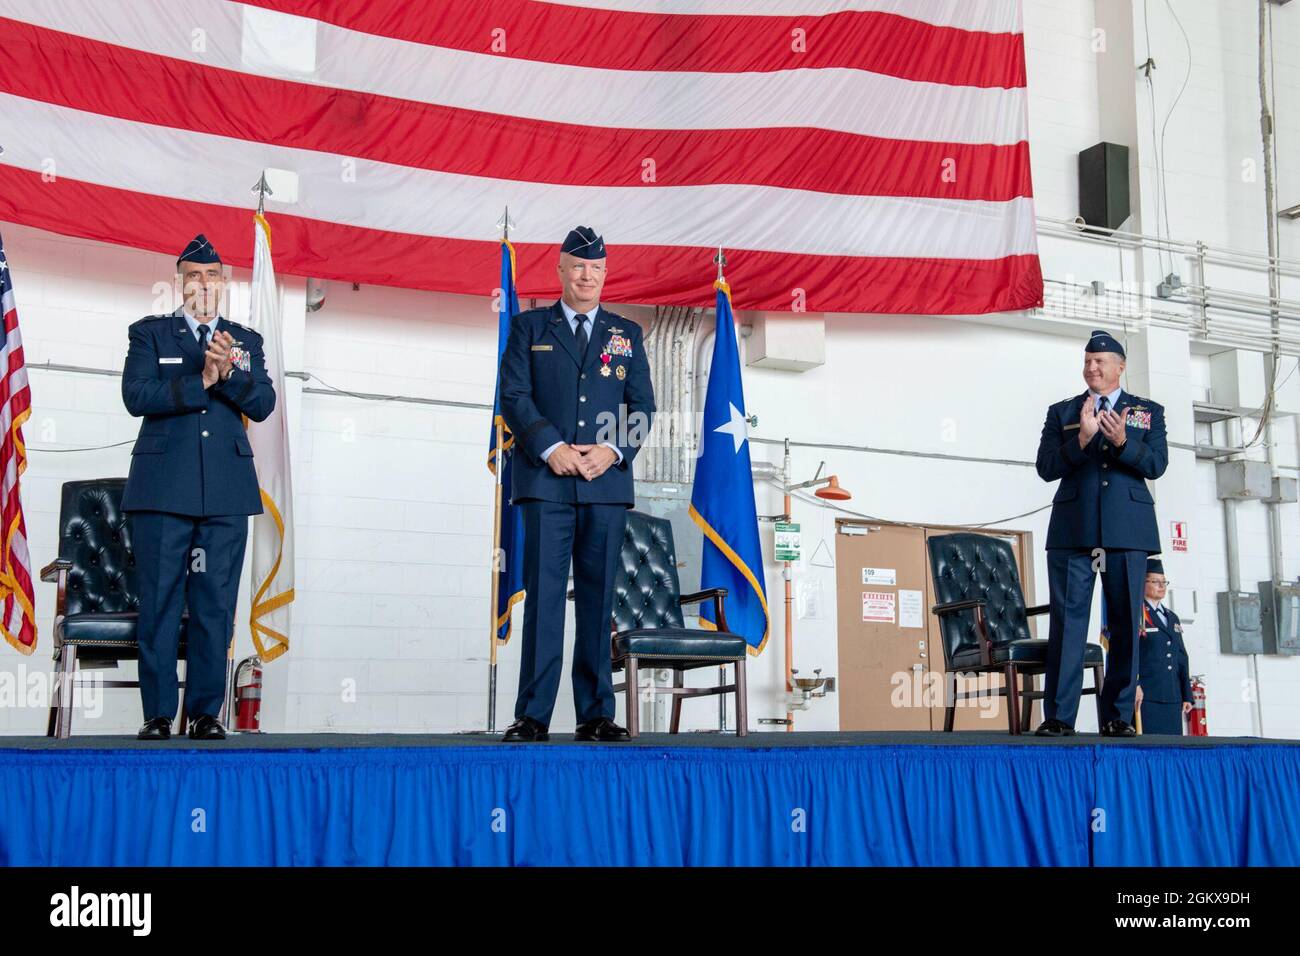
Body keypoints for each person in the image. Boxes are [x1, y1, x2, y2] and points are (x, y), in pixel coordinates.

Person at [497, 226, 655, 742]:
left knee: (596, 601)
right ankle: (533, 716)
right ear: (561, 270)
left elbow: (643, 407)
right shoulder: (528, 327)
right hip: (546, 481)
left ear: (605, 274)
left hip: (604, 487)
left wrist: (610, 451)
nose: (588, 276)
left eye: (597, 269)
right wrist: (553, 448)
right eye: (578, 267)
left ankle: (594, 715)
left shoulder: (626, 334)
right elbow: (515, 397)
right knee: (543, 601)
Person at [122, 234, 276, 740]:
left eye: (212, 276)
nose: (203, 284)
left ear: (224, 284)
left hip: (226, 493)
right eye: (193, 275)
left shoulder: (244, 341)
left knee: (215, 604)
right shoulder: (151, 334)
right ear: (179, 283)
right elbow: (136, 394)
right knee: (161, 601)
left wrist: (225, 374)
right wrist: (202, 381)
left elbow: (263, 404)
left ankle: (207, 713)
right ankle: (159, 714)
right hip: (163, 491)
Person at [1034, 329, 1168, 737]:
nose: (1092, 367)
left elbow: (1157, 464)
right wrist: (1083, 438)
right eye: (1088, 361)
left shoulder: (1146, 411)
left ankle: (1117, 717)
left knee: (1126, 624)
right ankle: (1059, 717)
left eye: (1101, 361)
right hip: (1074, 532)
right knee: (1068, 623)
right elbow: (1046, 468)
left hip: (1126, 532)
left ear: (1120, 367)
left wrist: (1123, 441)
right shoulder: (1063, 412)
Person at [1135, 558, 1193, 735]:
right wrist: (1134, 684)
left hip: (1172, 696)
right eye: (1155, 581)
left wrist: (1186, 694)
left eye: (1163, 582)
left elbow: (1181, 656)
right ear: (1142, 583)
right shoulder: (1137, 614)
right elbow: (1131, 653)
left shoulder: (1171, 617)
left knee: (1172, 748)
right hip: (1147, 695)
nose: (1161, 586)